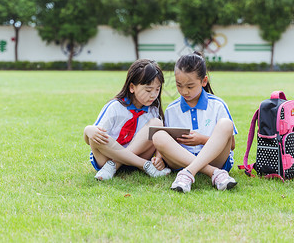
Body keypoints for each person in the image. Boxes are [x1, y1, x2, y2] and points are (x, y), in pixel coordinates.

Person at [152, 52, 238, 193]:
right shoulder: (171, 109)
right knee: (158, 136)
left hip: (215, 159)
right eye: (179, 85)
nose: (184, 91)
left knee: (226, 124)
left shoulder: (217, 105)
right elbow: (167, 140)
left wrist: (201, 140)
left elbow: (231, 145)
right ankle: (214, 173)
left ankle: (188, 173)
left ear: (204, 81)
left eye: (190, 86)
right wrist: (159, 158)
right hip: (180, 161)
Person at [84, 59, 171, 180]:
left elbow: (159, 138)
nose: (153, 95)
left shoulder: (153, 110)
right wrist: (88, 130)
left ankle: (114, 165)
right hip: (106, 159)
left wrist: (159, 158)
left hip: (135, 157)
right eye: (148, 90)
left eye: (157, 89)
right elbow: (91, 140)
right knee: (96, 135)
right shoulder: (115, 107)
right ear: (132, 87)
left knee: (157, 124)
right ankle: (145, 166)